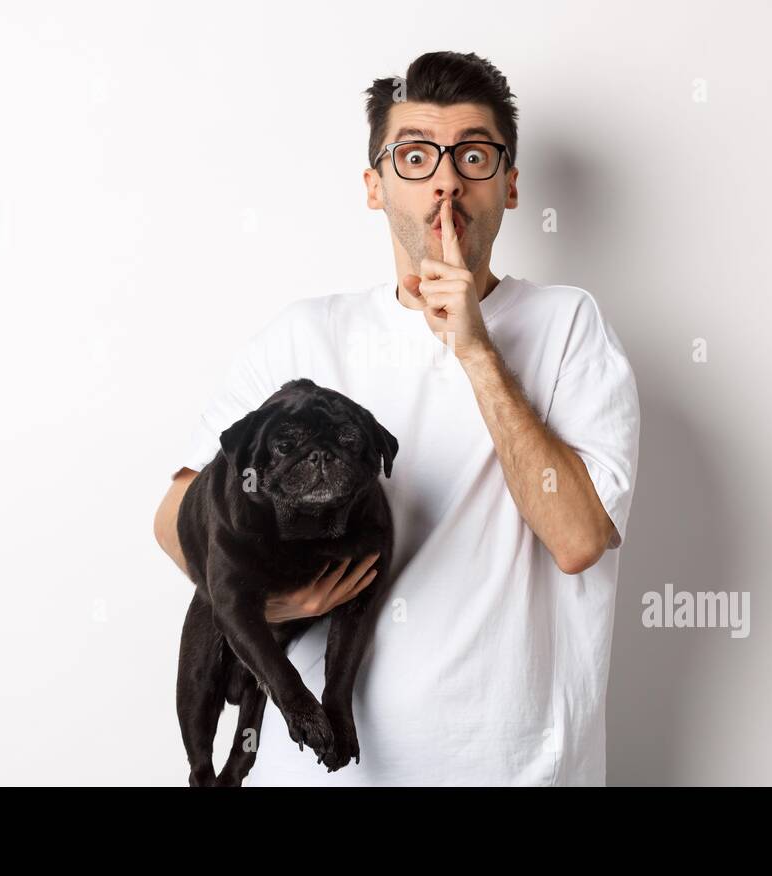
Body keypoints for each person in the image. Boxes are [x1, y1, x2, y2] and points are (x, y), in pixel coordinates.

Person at [153, 51, 639, 785]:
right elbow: (174, 516)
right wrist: (269, 603)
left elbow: (577, 540)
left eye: (473, 155)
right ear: (375, 187)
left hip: (511, 771)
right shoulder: (301, 335)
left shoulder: (569, 325)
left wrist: (476, 350)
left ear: (509, 185)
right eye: (415, 157)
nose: (446, 180)